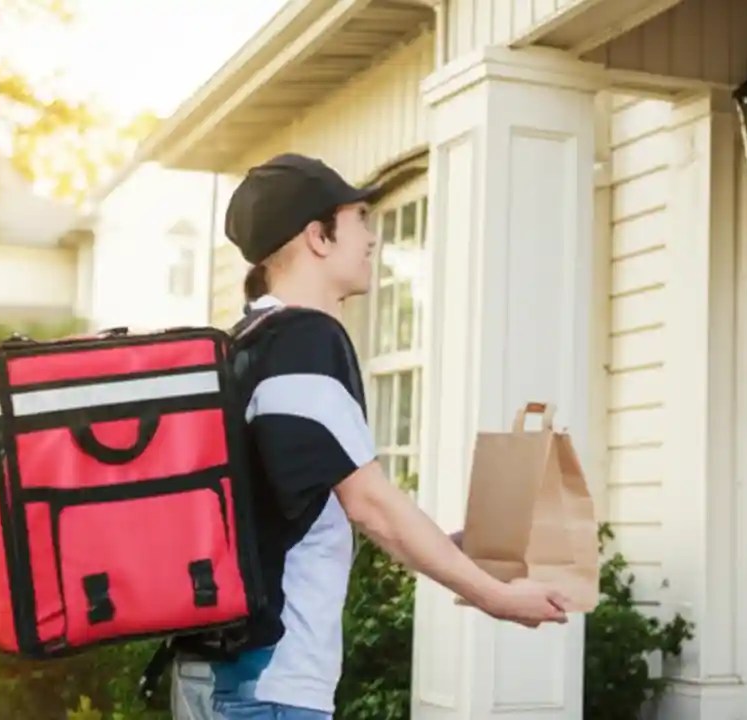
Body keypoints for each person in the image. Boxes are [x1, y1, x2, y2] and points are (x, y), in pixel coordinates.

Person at [170, 153, 569, 720]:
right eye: (359, 217)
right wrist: (498, 599)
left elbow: (301, 516)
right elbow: (370, 505)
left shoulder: (246, 344)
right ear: (318, 238)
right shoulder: (303, 341)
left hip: (219, 673)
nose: (373, 238)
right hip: (269, 686)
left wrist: (457, 551)